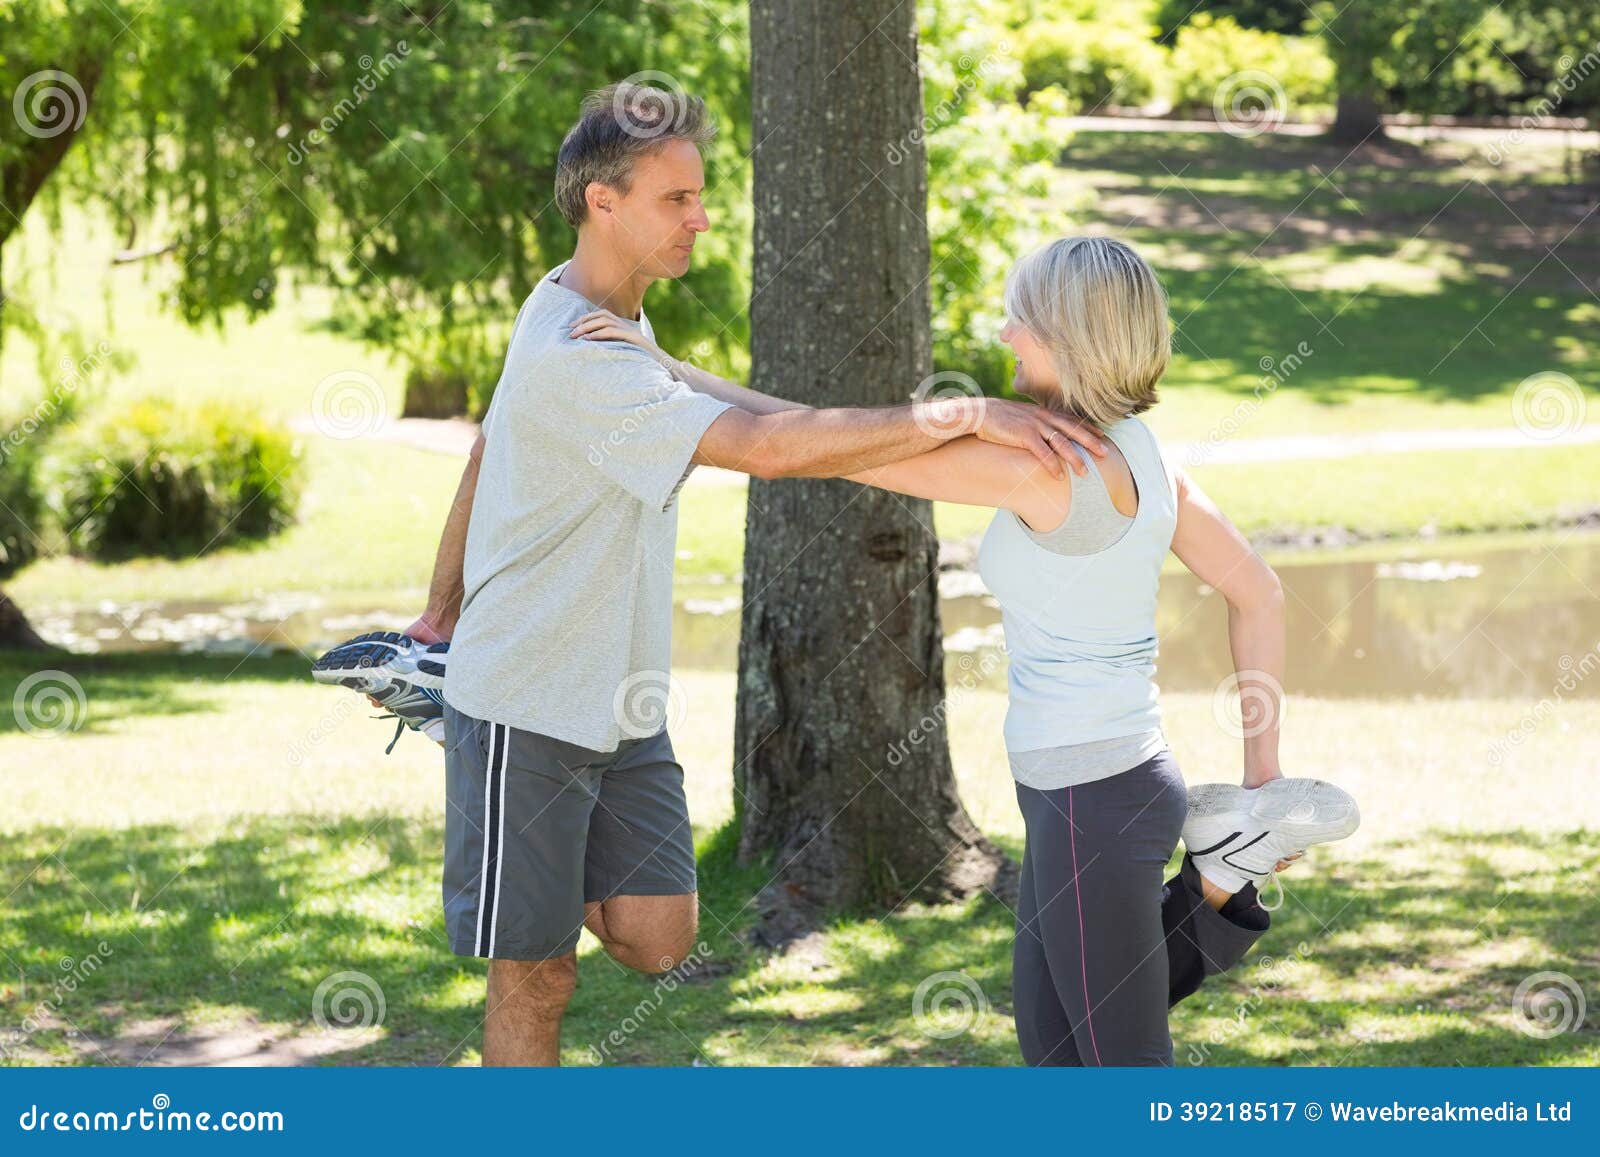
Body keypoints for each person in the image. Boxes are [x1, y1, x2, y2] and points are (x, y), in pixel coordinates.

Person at [404, 82, 1107, 1067]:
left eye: (700, 195)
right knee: (537, 976)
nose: (700, 217)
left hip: (618, 706)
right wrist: (966, 413)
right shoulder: (580, 354)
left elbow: (495, 443)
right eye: (675, 200)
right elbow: (769, 449)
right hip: (527, 701)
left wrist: (437, 608)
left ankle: (538, 857)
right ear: (602, 202)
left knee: (662, 933)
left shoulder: (594, 316)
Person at [574, 233, 1360, 1067]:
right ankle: (1220, 877)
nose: (1004, 333)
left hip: (1094, 796)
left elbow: (824, 448)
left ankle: (1222, 879)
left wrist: (676, 375)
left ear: (1067, 336)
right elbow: (1260, 591)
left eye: (1020, 318)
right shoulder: (1145, 455)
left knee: (1122, 1064)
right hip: (1100, 787)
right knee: (1058, 1044)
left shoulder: (1045, 468)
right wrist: (1261, 768)